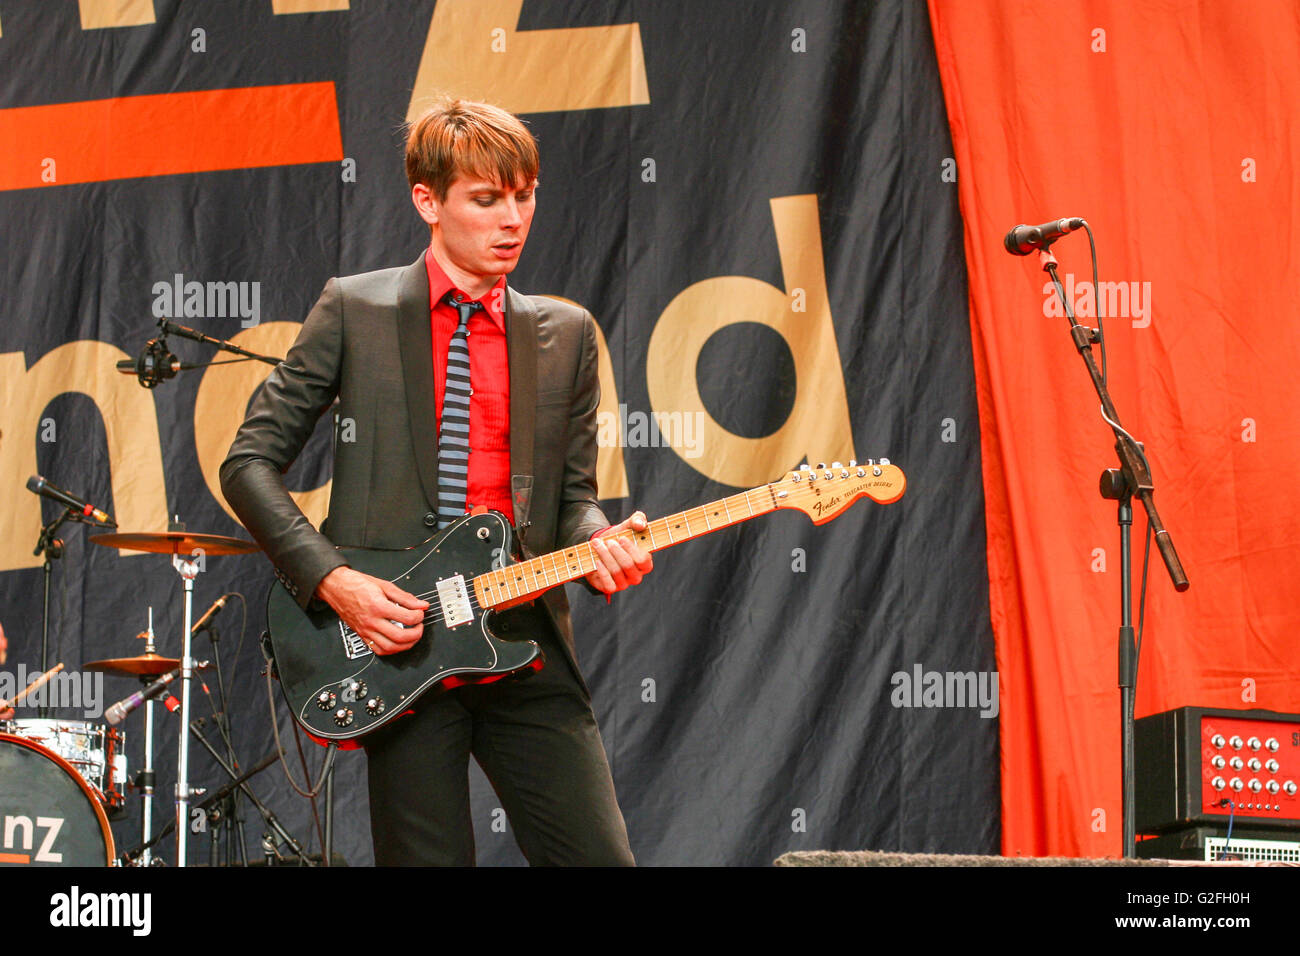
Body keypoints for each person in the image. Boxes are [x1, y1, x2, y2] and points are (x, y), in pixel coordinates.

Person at [220, 99, 652, 866]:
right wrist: (335, 581)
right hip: (404, 647)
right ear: (429, 200)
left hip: (525, 636)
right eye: (486, 199)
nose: (512, 219)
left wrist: (600, 541)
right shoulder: (355, 308)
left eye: (524, 195)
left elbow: (574, 499)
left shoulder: (567, 334)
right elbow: (247, 464)